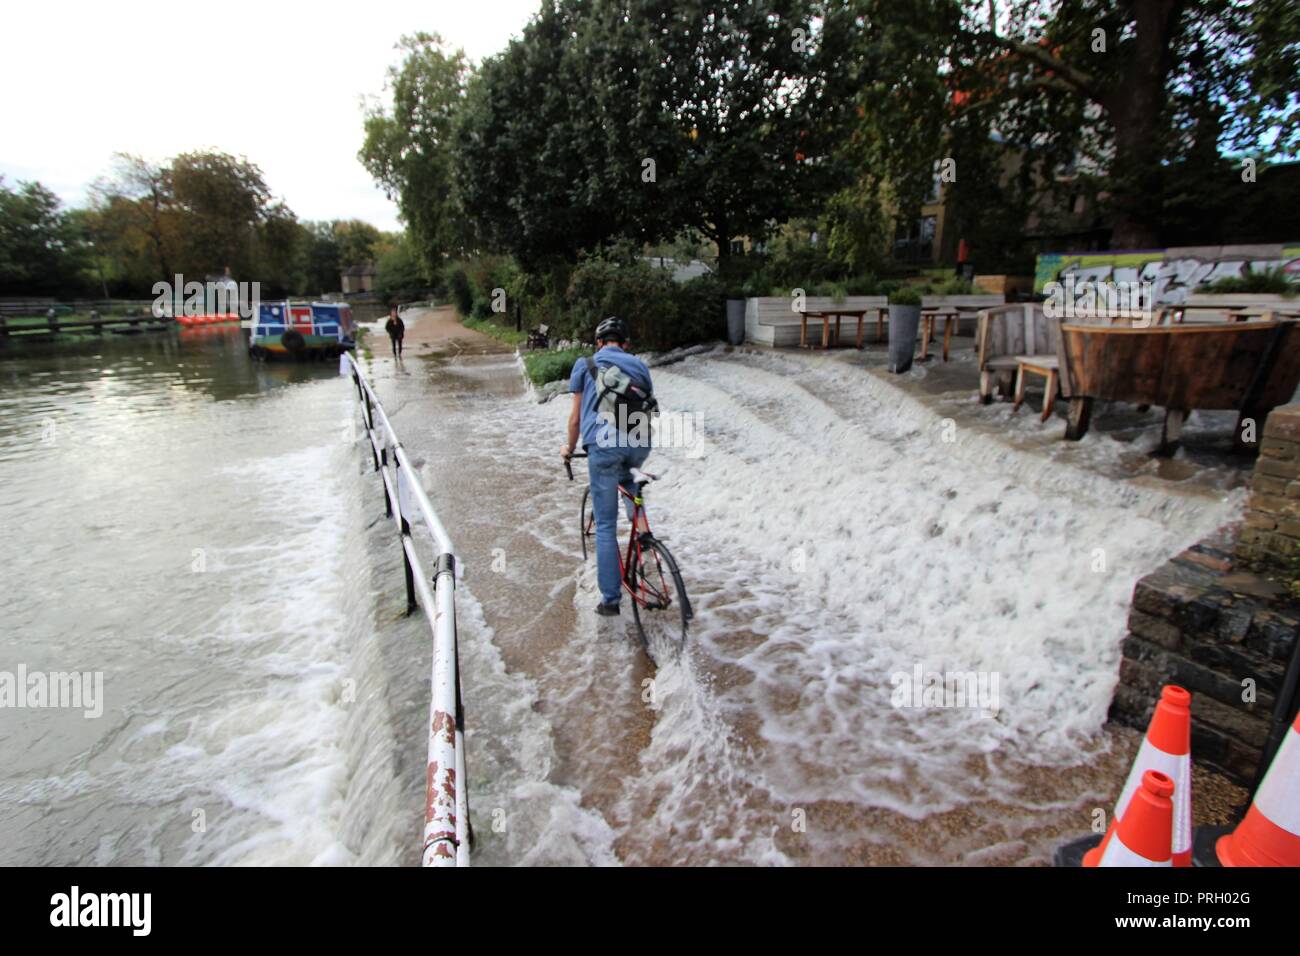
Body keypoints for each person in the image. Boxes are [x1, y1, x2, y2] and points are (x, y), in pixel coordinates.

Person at [561, 316, 654, 617]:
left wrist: (569, 448)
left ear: (599, 343)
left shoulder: (584, 365)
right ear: (625, 344)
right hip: (638, 439)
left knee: (605, 525)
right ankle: (641, 527)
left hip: (602, 444)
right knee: (628, 478)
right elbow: (647, 404)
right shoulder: (638, 365)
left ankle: (611, 600)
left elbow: (576, 418)